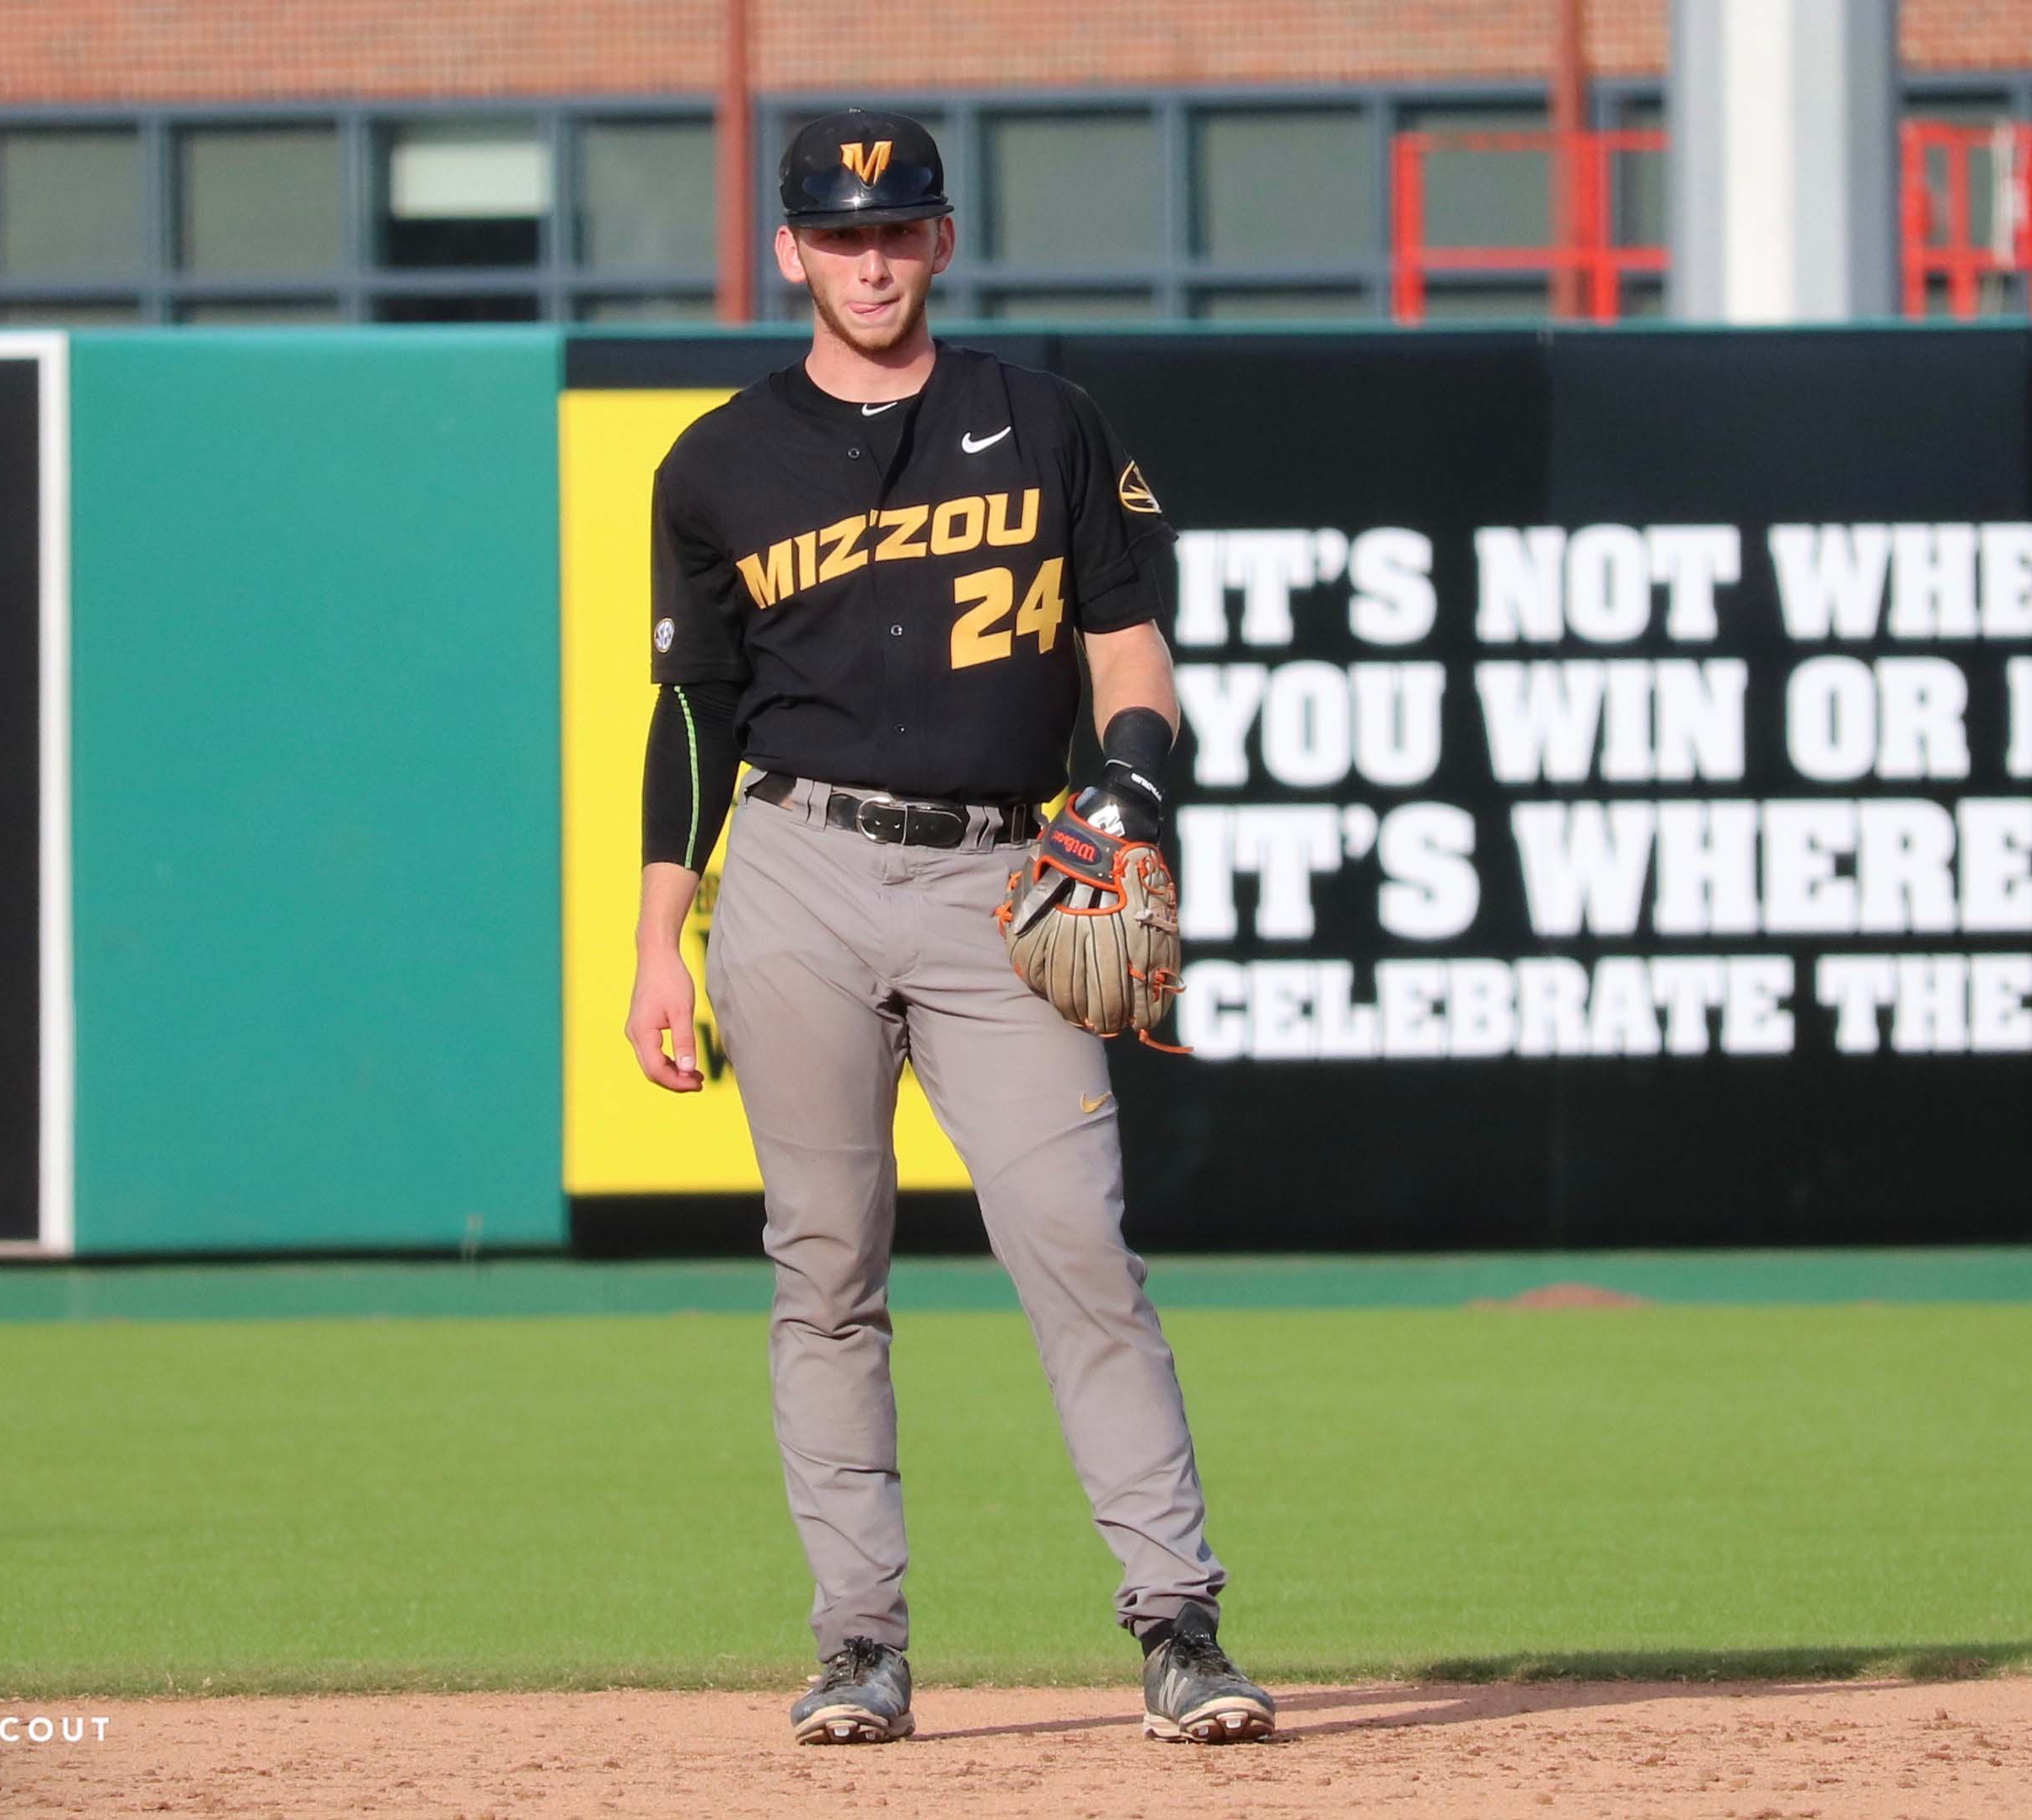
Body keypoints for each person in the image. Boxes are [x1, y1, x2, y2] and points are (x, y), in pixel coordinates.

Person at [622, 108, 1273, 1748]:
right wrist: (655, 948)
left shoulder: (1045, 421)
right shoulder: (716, 462)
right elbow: (694, 712)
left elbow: (1127, 642)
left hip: (1001, 876)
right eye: (840, 235)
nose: (871, 260)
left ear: (942, 242)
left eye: (897, 230)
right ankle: (860, 1645)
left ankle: (1179, 1624)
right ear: (790, 251)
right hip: (798, 872)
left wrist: (1133, 781)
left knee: (1077, 1245)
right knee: (826, 1268)